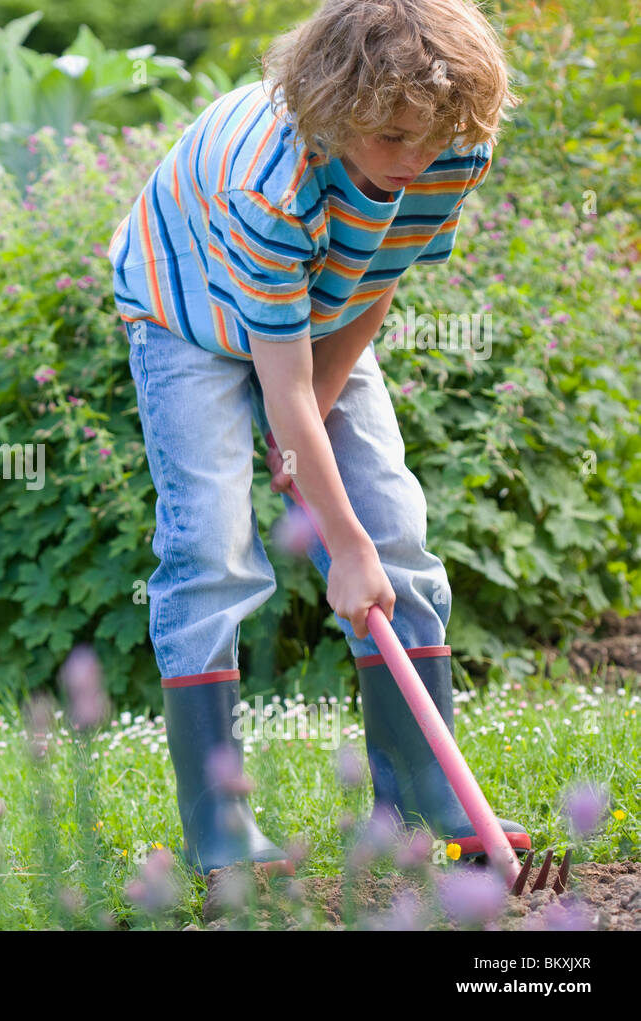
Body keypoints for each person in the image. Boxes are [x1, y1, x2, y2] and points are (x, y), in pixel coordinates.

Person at [108, 0, 530, 877]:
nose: (414, 162)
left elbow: (381, 273)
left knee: (395, 534)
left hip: (318, 321)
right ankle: (217, 825)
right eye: (392, 140)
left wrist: (323, 441)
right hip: (189, 314)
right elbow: (283, 389)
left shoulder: (450, 146)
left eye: (432, 140)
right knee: (214, 547)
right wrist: (339, 544)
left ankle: (419, 801)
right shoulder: (271, 184)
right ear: (336, 114)